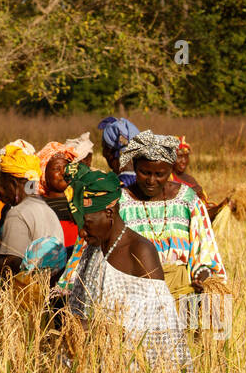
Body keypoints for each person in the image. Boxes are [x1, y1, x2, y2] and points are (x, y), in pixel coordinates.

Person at [57, 164, 192, 373]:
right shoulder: (94, 249)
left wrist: (98, 329)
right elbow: (77, 310)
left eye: (86, 223)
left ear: (109, 212)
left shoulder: (140, 251)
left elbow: (161, 332)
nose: (82, 233)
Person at [115, 130, 226, 300]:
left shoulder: (186, 200)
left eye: (160, 174)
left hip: (181, 291)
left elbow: (204, 247)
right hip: (135, 292)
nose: (151, 181)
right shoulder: (121, 203)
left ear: (170, 171)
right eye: (145, 172)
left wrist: (203, 274)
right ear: (135, 167)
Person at [0, 144, 65, 283]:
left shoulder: (18, 214)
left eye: (4, 185)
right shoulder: (46, 208)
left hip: (26, 296)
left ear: (13, 183)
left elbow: (11, 265)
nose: (2, 190)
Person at [172, 137, 231, 236]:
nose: (183, 161)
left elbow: (202, 214)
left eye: (186, 156)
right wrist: (191, 192)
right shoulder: (166, 178)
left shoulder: (190, 180)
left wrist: (222, 206)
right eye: (179, 157)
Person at [36, 142, 79, 253]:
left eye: (66, 168)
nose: (63, 173)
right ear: (43, 173)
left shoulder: (80, 200)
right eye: (56, 169)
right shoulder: (38, 205)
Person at [98, 116, 141, 187]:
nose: (103, 154)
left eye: (103, 147)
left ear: (110, 151)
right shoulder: (143, 182)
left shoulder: (116, 186)